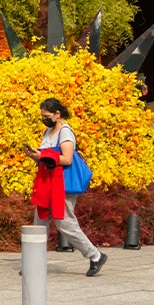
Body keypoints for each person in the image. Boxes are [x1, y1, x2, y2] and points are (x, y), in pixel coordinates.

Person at [24, 98, 107, 277]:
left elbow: (67, 159)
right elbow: (46, 157)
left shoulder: (65, 132)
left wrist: (42, 156)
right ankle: (34, 263)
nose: (44, 119)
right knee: (40, 222)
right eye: (42, 116)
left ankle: (95, 255)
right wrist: (34, 155)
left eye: (47, 116)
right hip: (46, 182)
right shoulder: (47, 132)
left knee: (66, 223)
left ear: (57, 114)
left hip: (61, 184)